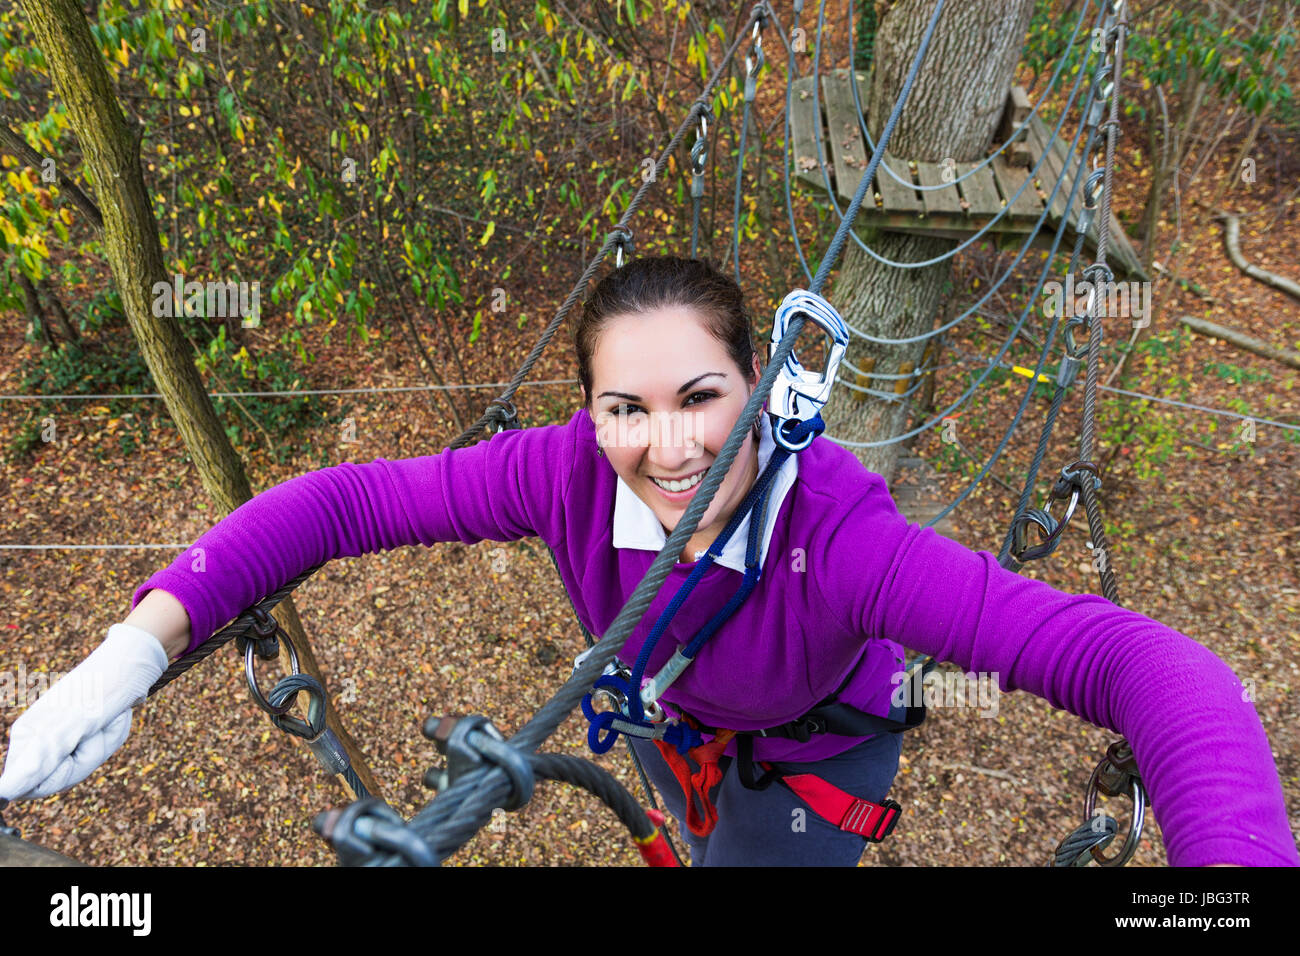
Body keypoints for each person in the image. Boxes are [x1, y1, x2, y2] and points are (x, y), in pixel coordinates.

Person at [0, 256, 1295, 867]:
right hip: (672, 720)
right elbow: (338, 508)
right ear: (590, 412)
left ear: (765, 391)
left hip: (816, 751)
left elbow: (1142, 669)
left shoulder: (839, 536)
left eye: (700, 396)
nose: (664, 446)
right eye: (625, 407)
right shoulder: (560, 471)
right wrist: (139, 646)